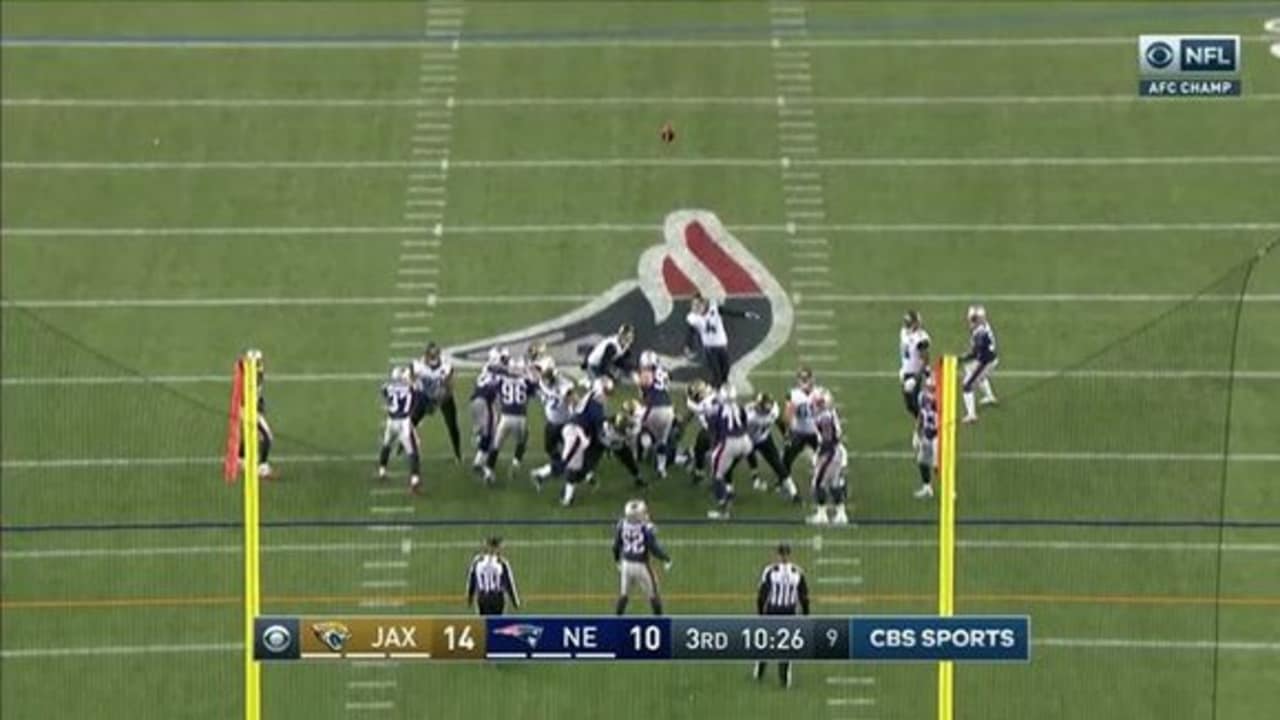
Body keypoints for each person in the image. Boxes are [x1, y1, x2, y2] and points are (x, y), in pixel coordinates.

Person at [754, 543, 809, 689]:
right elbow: (804, 597)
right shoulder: (797, 572)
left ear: (778, 555)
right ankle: (783, 679)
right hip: (789, 611)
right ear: (790, 555)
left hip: (773, 610)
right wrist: (805, 615)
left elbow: (762, 595)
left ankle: (760, 672)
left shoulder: (770, 571)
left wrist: (761, 614)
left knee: (766, 642)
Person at [613, 499, 672, 616]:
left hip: (626, 563)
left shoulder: (621, 524)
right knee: (653, 594)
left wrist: (617, 560)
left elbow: (616, 545)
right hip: (641, 565)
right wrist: (666, 558)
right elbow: (653, 547)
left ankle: (616, 621)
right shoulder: (645, 528)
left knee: (624, 595)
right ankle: (659, 623)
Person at [377, 366, 422, 493]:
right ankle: (415, 480)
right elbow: (417, 397)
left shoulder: (387, 387)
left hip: (391, 421)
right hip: (404, 422)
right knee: (412, 451)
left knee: (387, 444)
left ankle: (382, 471)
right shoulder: (411, 387)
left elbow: (385, 392)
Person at [466, 537, 520, 615]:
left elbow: (472, 580)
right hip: (497, 597)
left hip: (483, 597)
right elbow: (509, 583)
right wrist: (515, 602)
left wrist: (469, 598)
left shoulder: (477, 561)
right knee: (497, 623)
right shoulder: (502, 562)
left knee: (484, 622)